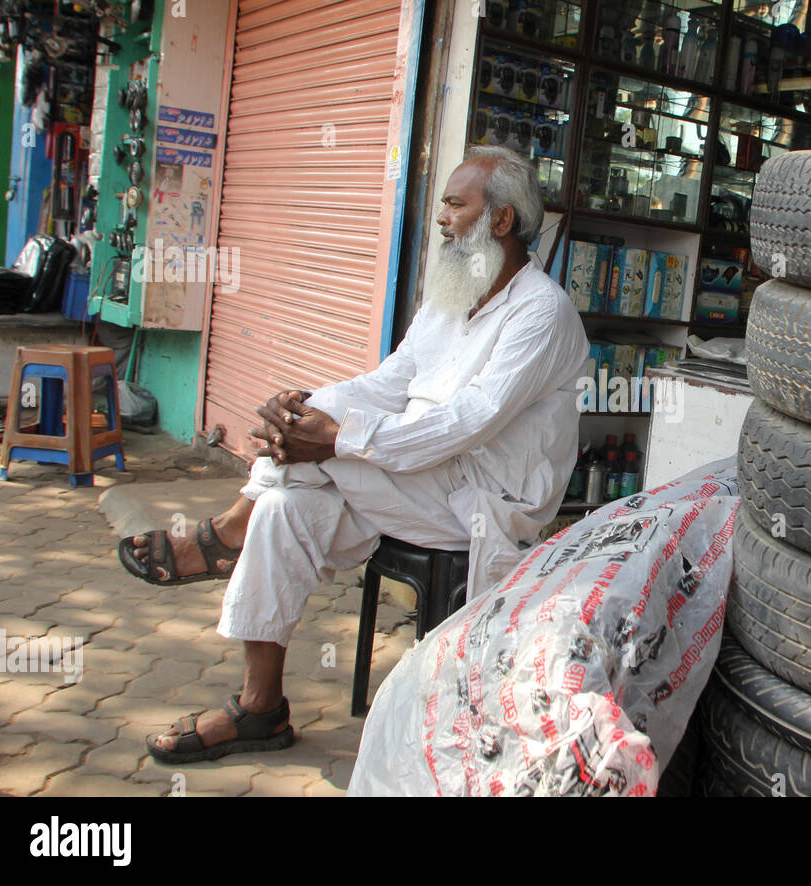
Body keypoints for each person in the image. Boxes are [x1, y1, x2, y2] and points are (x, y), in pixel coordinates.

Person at [117, 147, 589, 763]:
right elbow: (389, 382)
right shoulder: (453, 296)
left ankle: (221, 535)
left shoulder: (542, 312)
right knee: (285, 507)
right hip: (414, 478)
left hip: (482, 499)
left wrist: (334, 437)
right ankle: (260, 708)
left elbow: (465, 424)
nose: (442, 217)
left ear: (501, 220)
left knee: (317, 453)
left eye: (455, 203)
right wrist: (306, 406)